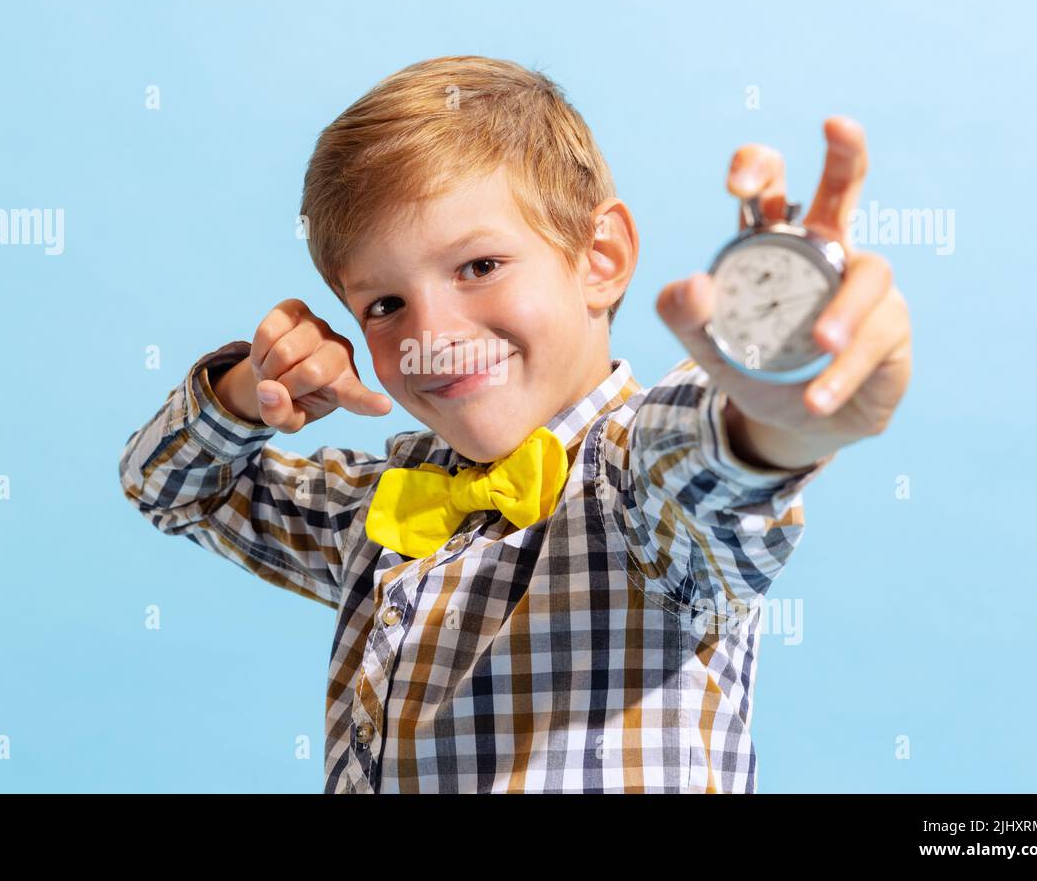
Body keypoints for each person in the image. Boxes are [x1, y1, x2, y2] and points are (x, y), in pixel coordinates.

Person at [118, 55, 912, 793]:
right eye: (384, 304)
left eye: (479, 266)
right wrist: (246, 391)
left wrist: (778, 395)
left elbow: (713, 462)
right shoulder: (381, 511)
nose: (432, 331)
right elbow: (171, 487)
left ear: (599, 258)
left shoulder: (634, 492)